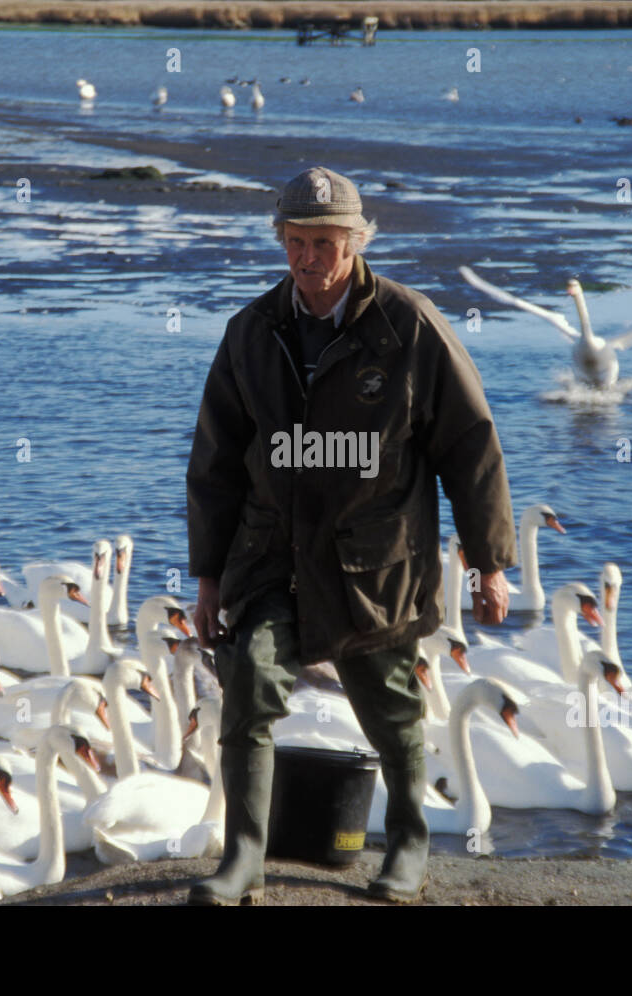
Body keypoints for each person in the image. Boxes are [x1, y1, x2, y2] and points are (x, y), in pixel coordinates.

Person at [185, 166, 515, 905]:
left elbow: (471, 446)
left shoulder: (410, 326)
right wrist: (207, 579)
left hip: (375, 561)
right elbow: (213, 466)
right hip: (270, 555)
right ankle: (243, 858)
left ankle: (407, 844)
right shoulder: (250, 334)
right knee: (248, 683)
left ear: (356, 241)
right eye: (295, 242)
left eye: (325, 243)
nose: (308, 259)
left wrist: (490, 563)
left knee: (391, 704)